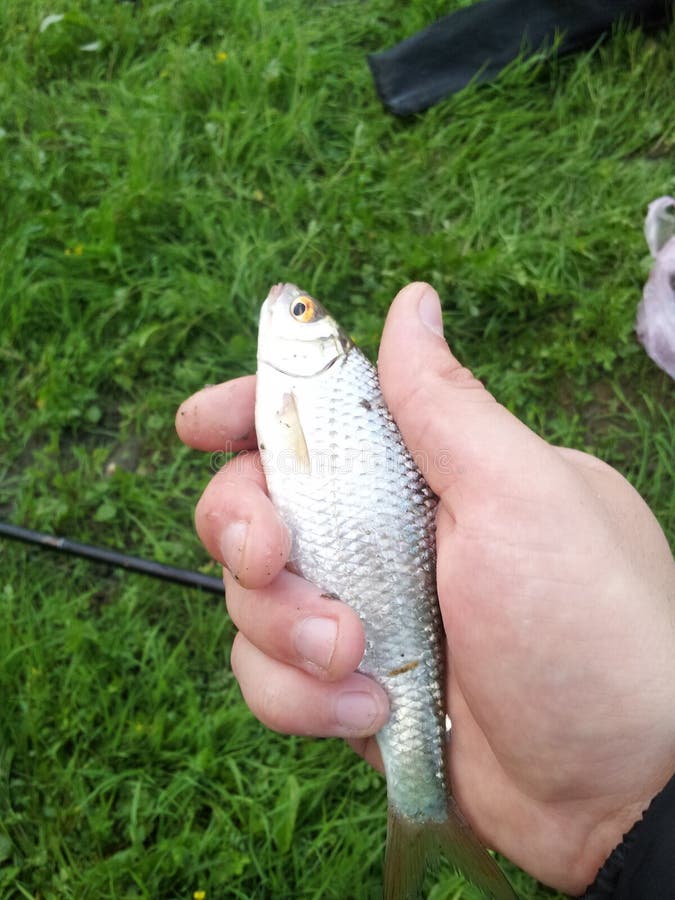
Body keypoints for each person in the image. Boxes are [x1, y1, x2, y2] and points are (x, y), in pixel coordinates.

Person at [176, 282, 675, 898]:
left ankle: (422, 811)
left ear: (324, 348)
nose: (286, 303)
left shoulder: (330, 385)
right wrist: (630, 806)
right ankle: (427, 812)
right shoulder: (313, 390)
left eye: (302, 312)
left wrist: (629, 806)